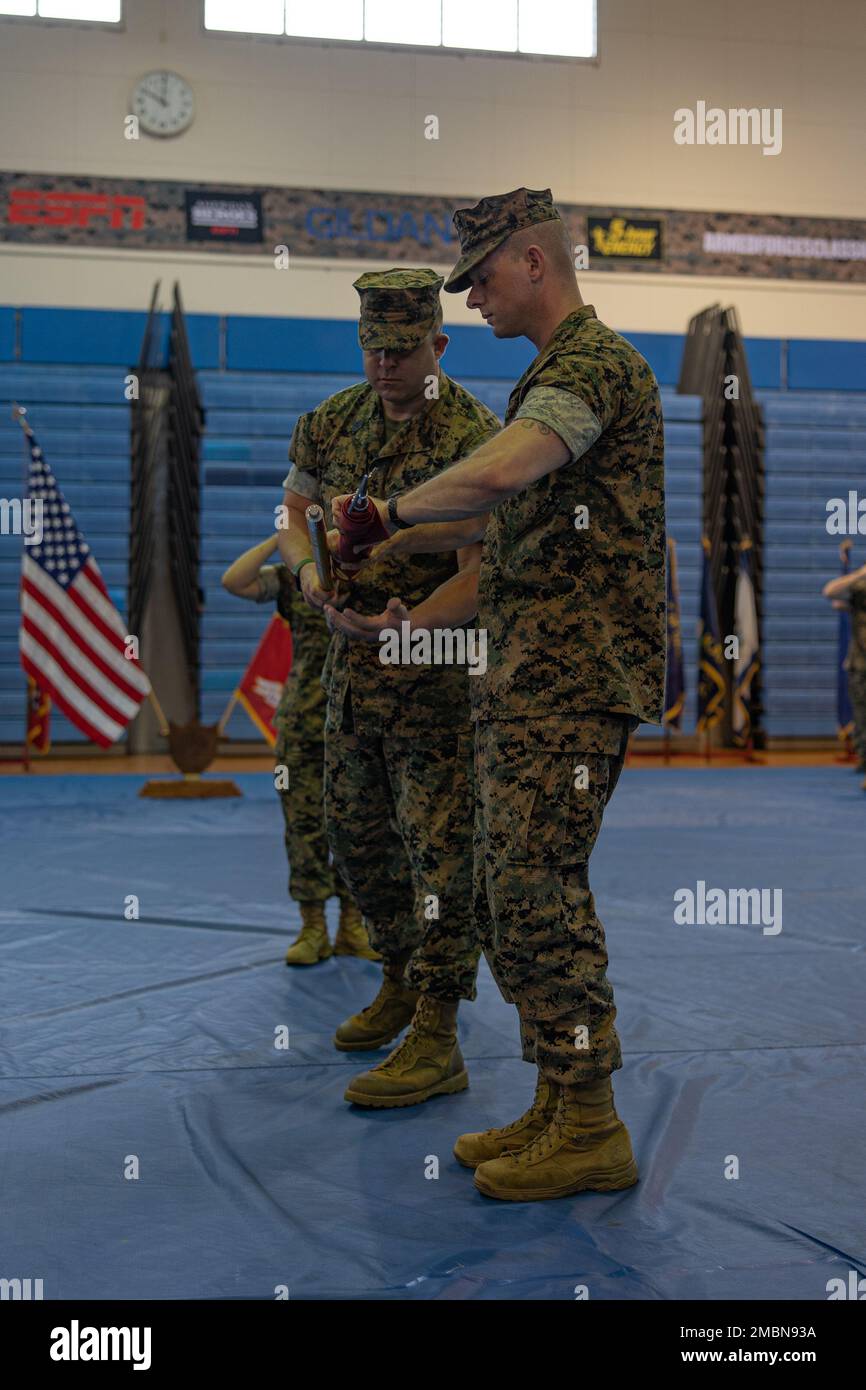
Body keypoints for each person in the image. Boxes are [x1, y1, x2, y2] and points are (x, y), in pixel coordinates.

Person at [328, 188, 666, 1200]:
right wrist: (406, 617)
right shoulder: (545, 378)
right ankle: (559, 1102)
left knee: (533, 894)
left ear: (531, 259)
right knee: (509, 892)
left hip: (572, 679)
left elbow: (499, 477)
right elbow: (497, 546)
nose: (470, 295)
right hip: (525, 677)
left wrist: (385, 509)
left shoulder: (592, 369)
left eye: (479, 275)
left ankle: (591, 1123)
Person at [276, 268, 500, 1108]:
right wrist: (307, 581)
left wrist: (414, 627)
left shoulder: (477, 434)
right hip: (350, 680)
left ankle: (439, 1032)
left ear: (437, 344)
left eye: (401, 350)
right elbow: (294, 515)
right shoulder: (332, 420)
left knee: (441, 854)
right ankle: (401, 981)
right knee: (357, 840)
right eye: (371, 347)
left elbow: (482, 573)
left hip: (436, 686)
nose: (383, 365)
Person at [221, 535, 377, 963]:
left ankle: (352, 924)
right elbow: (234, 580)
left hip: (357, 718)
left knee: (356, 827)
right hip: (303, 720)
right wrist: (282, 537)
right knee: (302, 825)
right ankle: (312, 927)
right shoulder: (296, 580)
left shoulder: (375, 572)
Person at [822, 538, 866, 783]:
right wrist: (859, 574)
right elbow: (830, 592)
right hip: (859, 663)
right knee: (861, 715)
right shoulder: (859, 589)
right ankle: (864, 758)